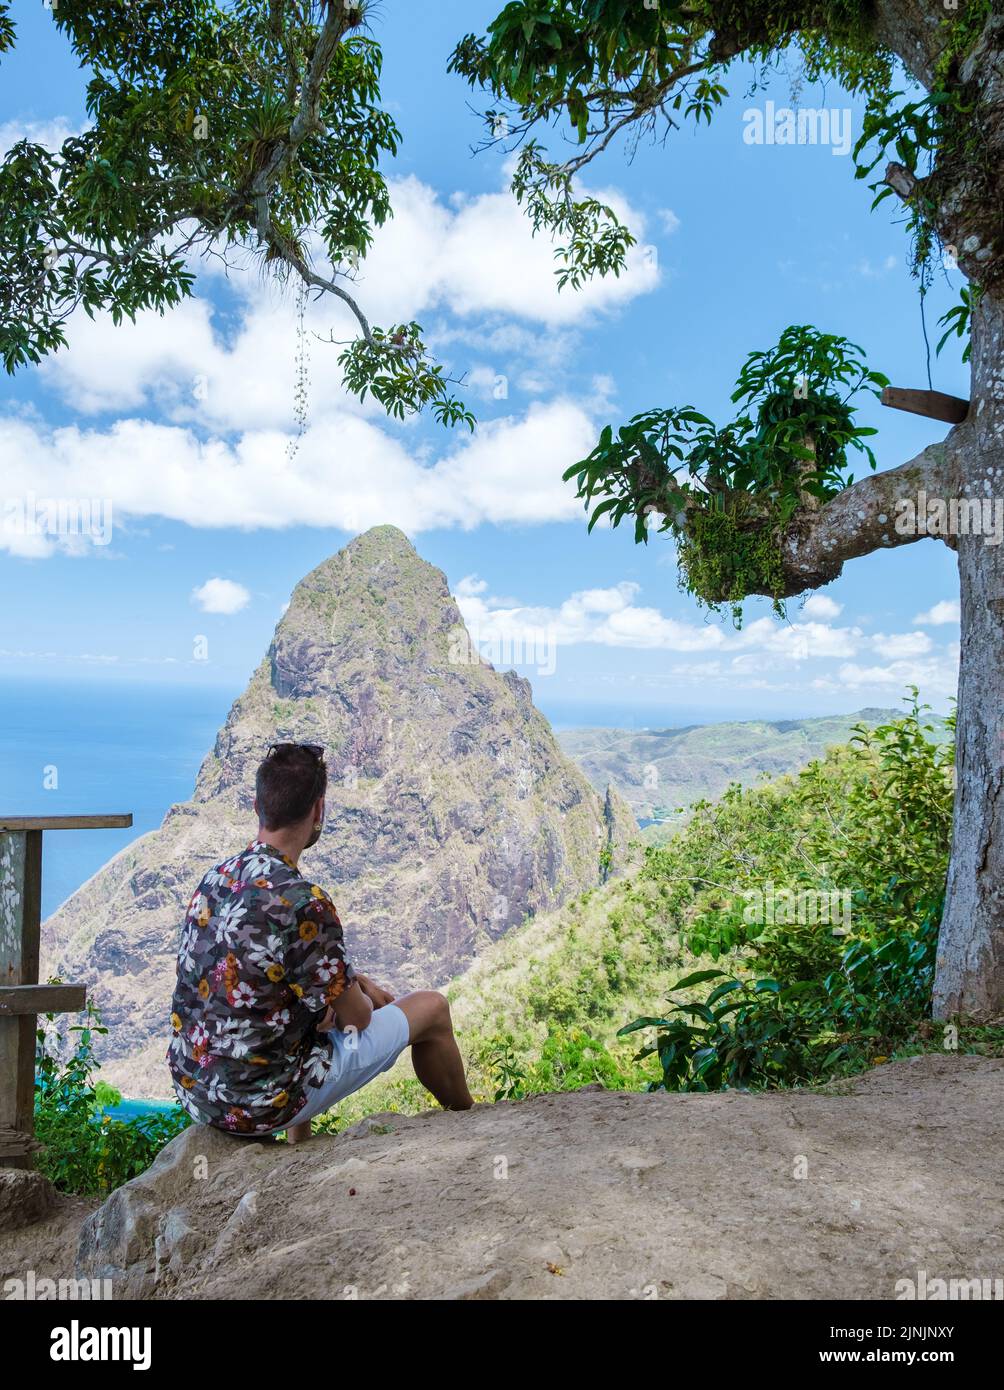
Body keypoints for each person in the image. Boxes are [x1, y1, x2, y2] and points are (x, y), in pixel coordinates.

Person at [167, 741, 473, 1138]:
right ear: (318, 811)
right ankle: (471, 1119)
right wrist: (360, 993)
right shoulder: (303, 903)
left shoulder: (215, 878)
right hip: (258, 1106)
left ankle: (301, 1144)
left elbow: (267, 979)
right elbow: (359, 1019)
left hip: (198, 1090)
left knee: (308, 1003)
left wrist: (349, 985)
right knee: (431, 1009)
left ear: (258, 807)